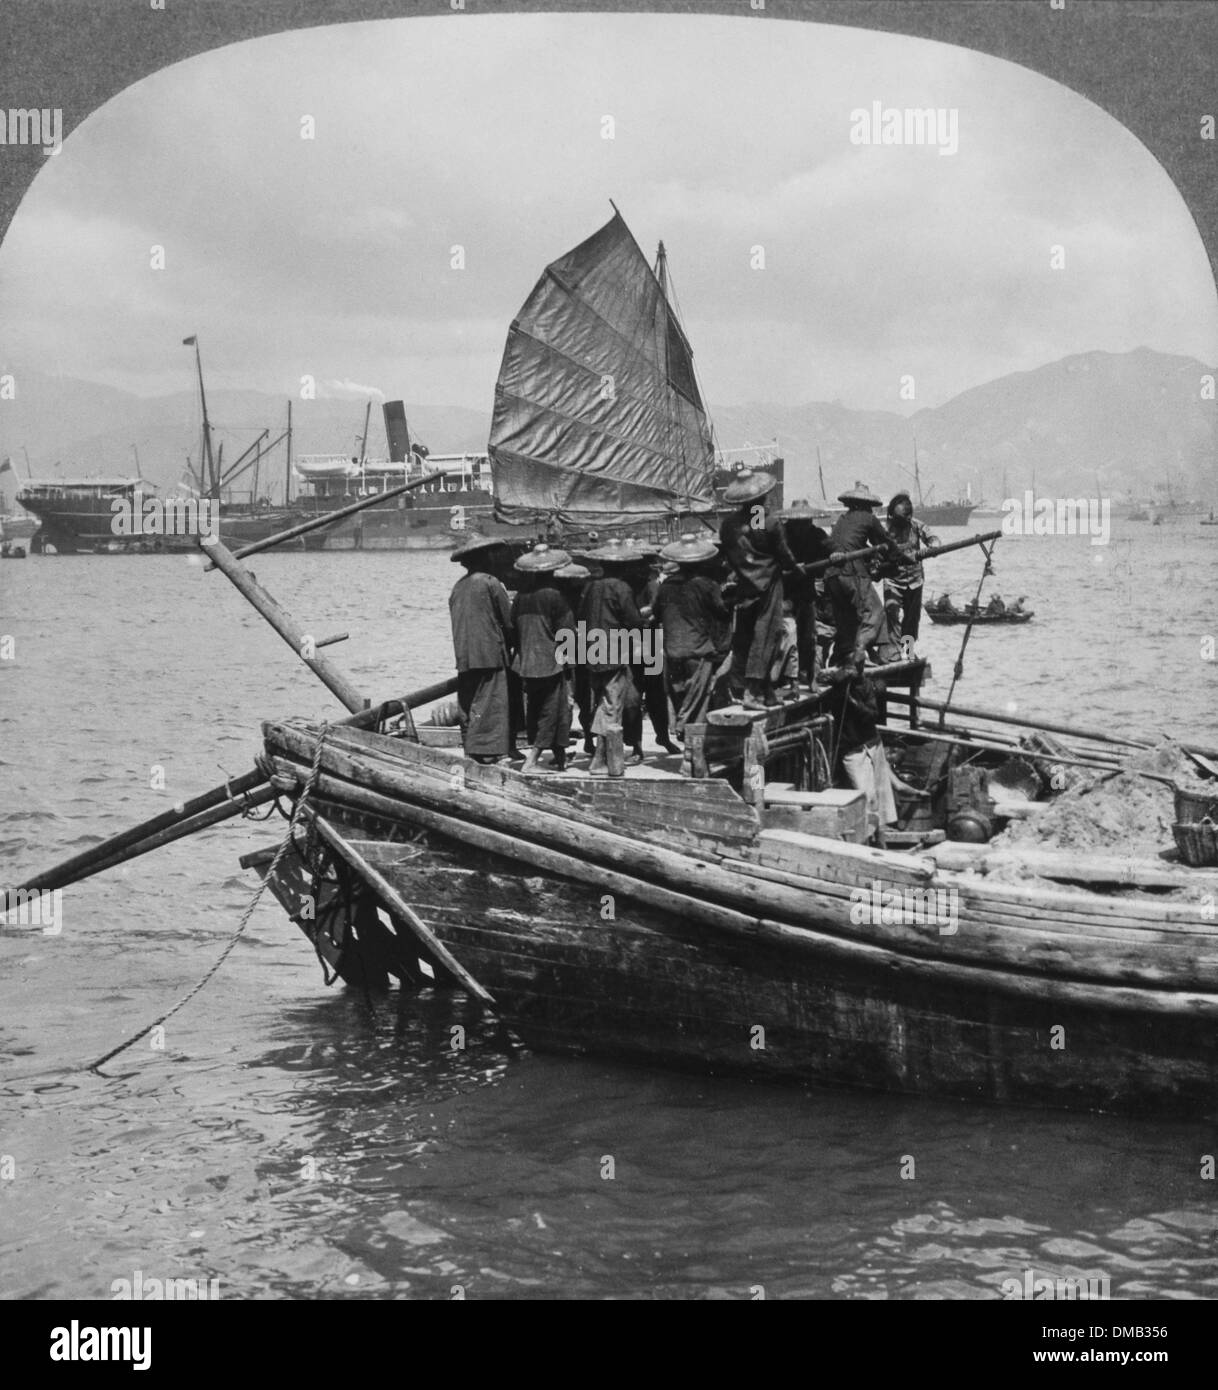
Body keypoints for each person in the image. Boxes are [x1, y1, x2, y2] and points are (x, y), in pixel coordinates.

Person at [718, 469, 802, 708]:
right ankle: (753, 693)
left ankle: (764, 691)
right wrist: (796, 569)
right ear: (762, 496)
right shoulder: (768, 520)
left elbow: (737, 551)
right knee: (767, 638)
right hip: (768, 586)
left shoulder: (729, 525)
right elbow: (783, 555)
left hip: (744, 586)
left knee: (747, 638)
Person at [654, 533, 731, 738]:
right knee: (698, 699)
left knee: (680, 694)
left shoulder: (666, 586)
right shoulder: (706, 585)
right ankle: (690, 742)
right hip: (698, 649)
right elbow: (722, 611)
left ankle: (682, 730)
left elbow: (656, 613)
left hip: (672, 650)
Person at [580, 539, 646, 777]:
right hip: (613, 653)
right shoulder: (621, 587)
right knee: (612, 705)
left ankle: (599, 756)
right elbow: (633, 621)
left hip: (591, 651)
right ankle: (604, 759)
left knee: (601, 703)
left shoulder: (590, 587)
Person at [448, 534, 515, 763]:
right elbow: (507, 620)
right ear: (483, 559)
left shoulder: (458, 587)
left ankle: (470, 748)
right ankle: (494, 751)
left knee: (469, 701)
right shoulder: (490, 582)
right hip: (489, 653)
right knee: (493, 701)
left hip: (465, 654)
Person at [511, 544, 575, 774]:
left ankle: (559, 756)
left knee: (537, 710)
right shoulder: (556, 596)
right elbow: (567, 633)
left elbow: (513, 629)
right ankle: (532, 760)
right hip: (550, 662)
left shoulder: (521, 597)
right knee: (553, 712)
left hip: (527, 663)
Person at [825, 483, 897, 666]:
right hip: (852, 572)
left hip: (832, 575)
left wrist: (876, 555)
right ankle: (860, 652)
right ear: (867, 505)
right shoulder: (868, 518)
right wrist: (903, 559)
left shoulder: (843, 519)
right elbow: (887, 544)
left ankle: (844, 658)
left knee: (849, 618)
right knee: (875, 612)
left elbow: (852, 544)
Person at [827, 660, 899, 843]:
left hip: (870, 743)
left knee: (881, 797)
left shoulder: (866, 685)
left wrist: (854, 703)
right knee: (866, 795)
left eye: (855, 669)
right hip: (852, 751)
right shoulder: (838, 686)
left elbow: (873, 715)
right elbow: (831, 678)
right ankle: (868, 839)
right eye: (848, 667)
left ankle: (907, 653)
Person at [780, 499, 835, 685]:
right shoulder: (782, 534)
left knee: (809, 637)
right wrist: (791, 567)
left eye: (807, 522)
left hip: (806, 593)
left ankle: (809, 676)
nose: (804, 526)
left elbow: (832, 549)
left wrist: (836, 554)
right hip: (785, 593)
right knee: (789, 636)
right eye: (800, 522)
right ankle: (790, 679)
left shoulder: (817, 534)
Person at [882, 492, 938, 655]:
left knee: (911, 619)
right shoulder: (885, 528)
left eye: (902, 519)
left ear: (909, 516)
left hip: (915, 580)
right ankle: (894, 652)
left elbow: (933, 538)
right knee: (891, 612)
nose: (898, 522)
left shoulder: (916, 525)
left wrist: (933, 546)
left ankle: (908, 652)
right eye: (895, 518)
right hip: (893, 579)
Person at [554, 561, 594, 754]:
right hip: (578, 654)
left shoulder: (562, 599)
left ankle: (563, 747)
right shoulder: (581, 599)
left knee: (570, 701)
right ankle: (586, 740)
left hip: (571, 654)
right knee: (581, 701)